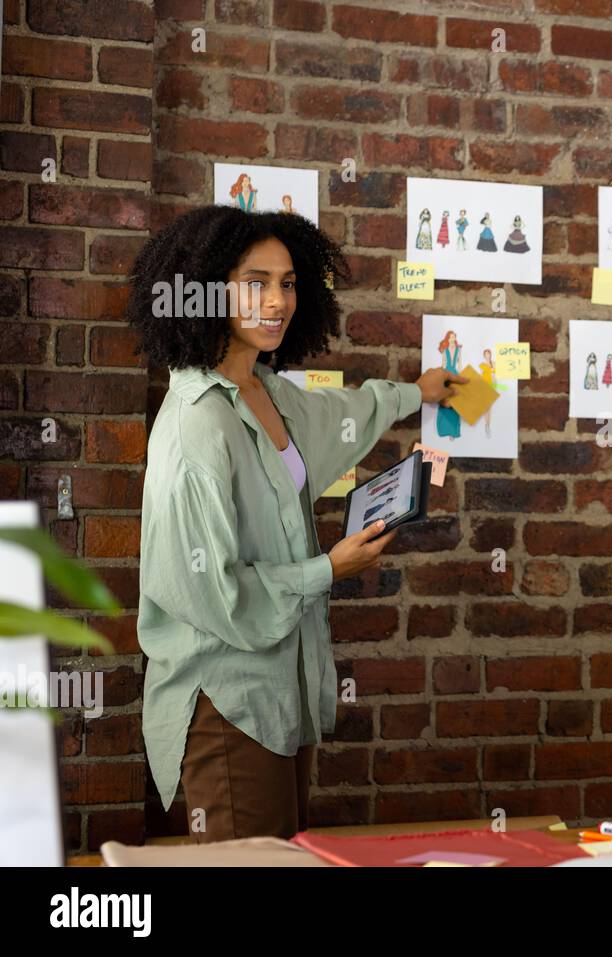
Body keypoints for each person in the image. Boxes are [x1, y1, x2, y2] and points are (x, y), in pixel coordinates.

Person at [127, 204, 466, 842]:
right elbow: (211, 594)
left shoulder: (267, 390)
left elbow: (342, 414)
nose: (277, 300)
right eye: (256, 282)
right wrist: (328, 569)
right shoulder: (196, 426)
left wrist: (416, 393)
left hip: (285, 689)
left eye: (287, 283)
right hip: (227, 703)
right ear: (204, 290)